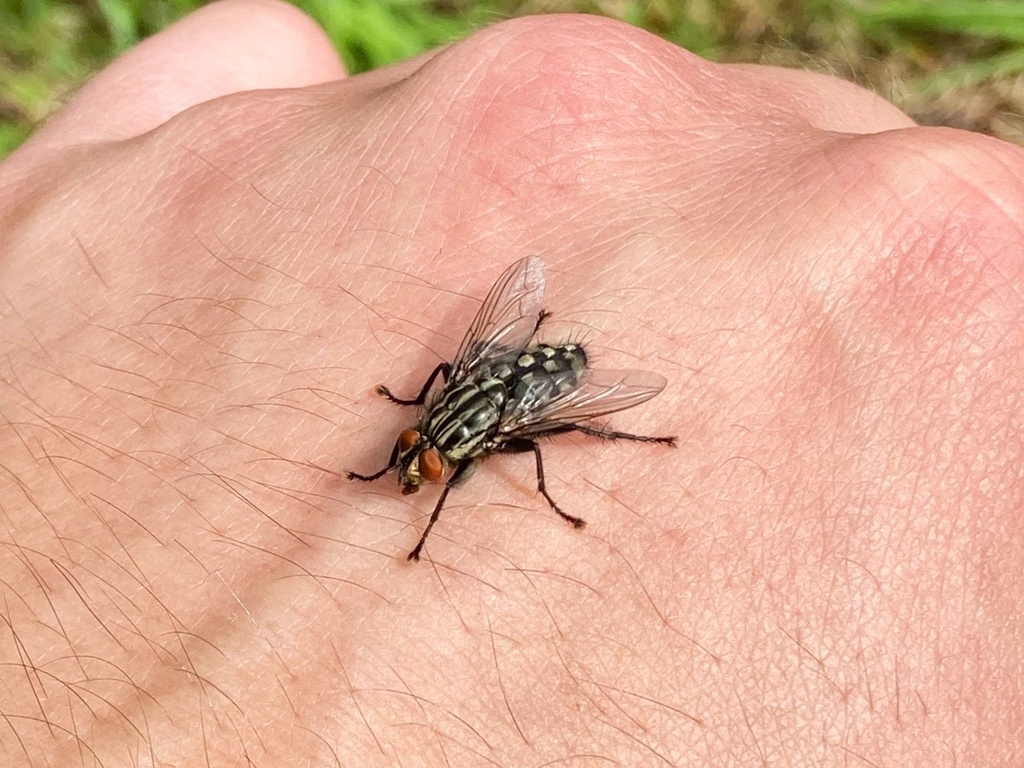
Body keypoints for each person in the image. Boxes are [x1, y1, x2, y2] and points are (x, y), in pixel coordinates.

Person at [2, 2, 1021, 765]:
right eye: (416, 456)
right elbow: (476, 359)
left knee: (562, 433)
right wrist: (405, 435)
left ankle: (621, 443)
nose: (417, 462)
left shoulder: (471, 443)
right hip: (513, 365)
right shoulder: (437, 430)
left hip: (540, 379)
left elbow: (507, 403)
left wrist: (462, 480)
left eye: (418, 457)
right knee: (484, 383)